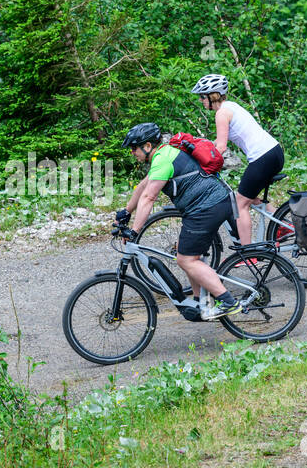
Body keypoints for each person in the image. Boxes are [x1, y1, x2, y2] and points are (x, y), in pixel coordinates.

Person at [116, 122, 240, 320]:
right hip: (210, 203)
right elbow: (143, 186)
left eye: (134, 148)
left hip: (207, 207)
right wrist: (126, 211)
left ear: (147, 146)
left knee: (186, 259)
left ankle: (227, 301)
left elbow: (149, 197)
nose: (132, 153)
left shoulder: (162, 160)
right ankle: (201, 303)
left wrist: (135, 230)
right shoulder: (165, 154)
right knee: (186, 250)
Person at [191, 74, 290, 246]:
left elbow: (221, 147)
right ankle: (282, 224)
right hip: (274, 152)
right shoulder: (231, 106)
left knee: (239, 204)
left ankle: (248, 252)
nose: (201, 100)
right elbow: (218, 143)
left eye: (202, 96)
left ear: (211, 95)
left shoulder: (221, 113)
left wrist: (201, 163)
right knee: (246, 196)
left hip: (262, 157)